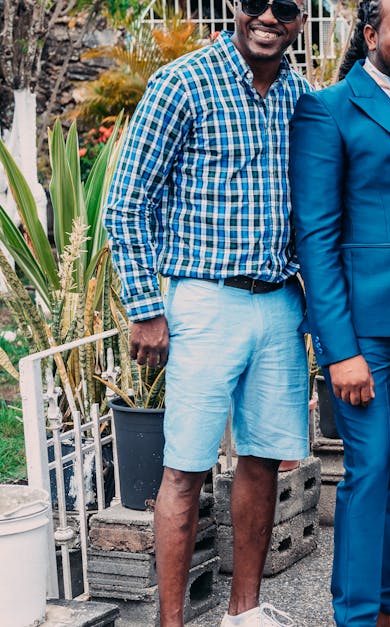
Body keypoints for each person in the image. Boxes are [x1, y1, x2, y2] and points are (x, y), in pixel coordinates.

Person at [103, 1, 310, 626]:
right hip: (203, 299)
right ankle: (172, 622)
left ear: (302, 19)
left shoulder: (303, 95)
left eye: (289, 7)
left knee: (263, 459)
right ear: (234, 9)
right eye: (257, 4)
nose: (270, 16)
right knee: (185, 466)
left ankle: (242, 612)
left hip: (279, 301)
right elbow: (125, 201)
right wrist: (145, 308)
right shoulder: (183, 83)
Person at [288, 0, 390, 624]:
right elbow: (317, 240)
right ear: (370, 34)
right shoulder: (327, 110)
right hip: (365, 335)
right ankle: (355, 615)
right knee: (368, 471)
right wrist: (340, 350)